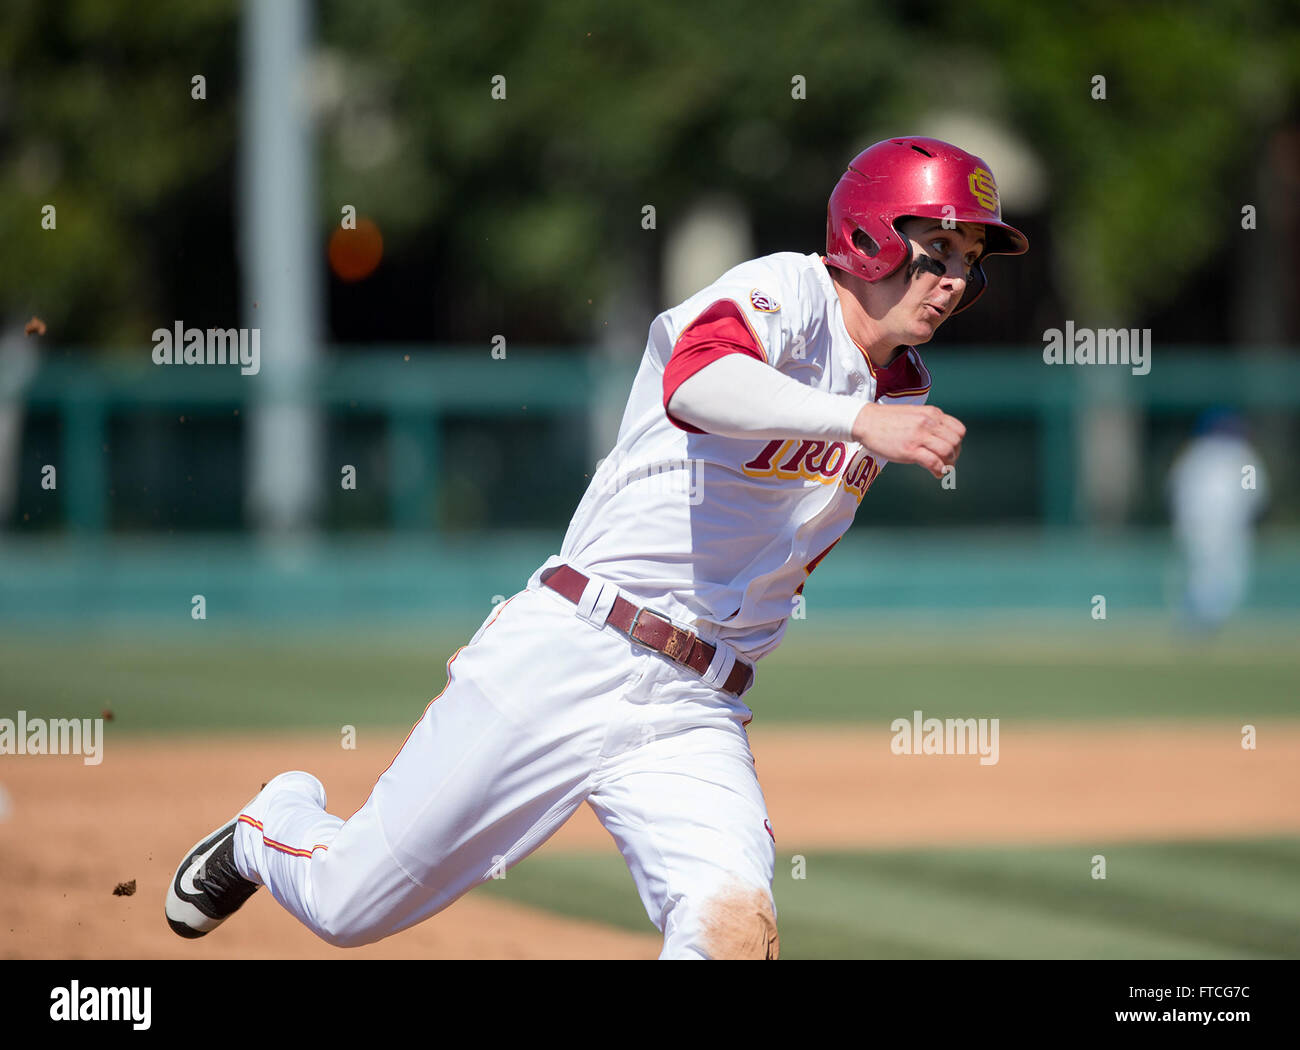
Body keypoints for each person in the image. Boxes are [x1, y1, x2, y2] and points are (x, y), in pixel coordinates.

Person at [165, 136, 1028, 959]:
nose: (952, 278)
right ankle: (268, 827)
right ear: (871, 233)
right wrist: (856, 420)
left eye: (967, 261)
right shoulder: (791, 296)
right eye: (936, 247)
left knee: (731, 928)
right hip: (576, 646)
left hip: (696, 707)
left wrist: (864, 423)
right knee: (350, 907)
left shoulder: (901, 387)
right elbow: (697, 382)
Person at [1168, 409, 1268, 633]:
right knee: (1223, 576)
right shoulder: (1241, 455)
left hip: (1196, 526)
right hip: (1227, 528)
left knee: (1204, 574)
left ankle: (1198, 621)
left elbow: (1175, 491)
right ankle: (1201, 622)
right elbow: (1257, 496)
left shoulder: (1194, 454)